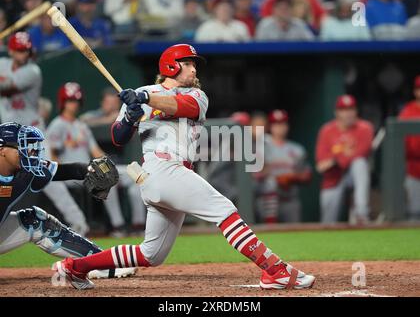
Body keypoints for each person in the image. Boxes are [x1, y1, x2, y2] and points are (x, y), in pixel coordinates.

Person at [53, 43, 315, 290]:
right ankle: (275, 271)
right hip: (159, 170)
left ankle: (76, 267)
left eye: (193, 64)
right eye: (188, 63)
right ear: (171, 66)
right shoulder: (140, 96)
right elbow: (117, 138)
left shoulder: (196, 96)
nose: (194, 69)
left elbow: (180, 106)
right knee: (224, 211)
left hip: (172, 174)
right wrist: (130, 119)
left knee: (151, 254)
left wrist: (144, 98)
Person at [0, 122, 136, 279]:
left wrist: (89, 169)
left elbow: (64, 171)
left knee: (35, 220)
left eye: (29, 146)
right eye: (21, 146)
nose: (29, 151)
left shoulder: (26, 170)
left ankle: (102, 264)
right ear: (2, 149)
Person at [0, 32, 90, 235]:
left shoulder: (33, 71)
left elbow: (6, 87)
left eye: (26, 51)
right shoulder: (3, 64)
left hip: (31, 136)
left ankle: (79, 223)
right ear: (12, 50)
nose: (23, 55)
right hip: (9, 140)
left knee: (47, 177)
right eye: (19, 50)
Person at [47, 82, 146, 236]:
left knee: (136, 175)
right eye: (69, 101)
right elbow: (52, 156)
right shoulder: (57, 125)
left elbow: (96, 152)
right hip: (71, 173)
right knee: (105, 178)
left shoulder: (81, 126)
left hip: (89, 169)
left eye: (75, 101)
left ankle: (138, 225)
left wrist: (110, 164)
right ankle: (117, 225)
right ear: (63, 103)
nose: (73, 105)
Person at [315, 95, 374, 224]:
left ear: (356, 111)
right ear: (337, 112)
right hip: (333, 177)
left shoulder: (365, 128)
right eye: (344, 110)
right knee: (327, 222)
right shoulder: (327, 130)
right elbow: (321, 164)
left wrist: (336, 158)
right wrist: (345, 155)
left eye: (351, 109)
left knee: (360, 164)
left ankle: (361, 211)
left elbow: (361, 153)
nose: (348, 114)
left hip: (353, 175)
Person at [256, 110, 311, 223]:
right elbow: (253, 175)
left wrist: (292, 178)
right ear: (270, 126)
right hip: (266, 199)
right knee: (270, 182)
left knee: (294, 234)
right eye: (276, 124)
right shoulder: (261, 146)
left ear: (287, 126)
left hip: (289, 199)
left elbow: (307, 175)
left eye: (282, 124)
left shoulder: (297, 149)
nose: (280, 127)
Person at [398, 75, 420, 221]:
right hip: (414, 168)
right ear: (416, 91)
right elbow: (400, 143)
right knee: (414, 214)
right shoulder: (408, 111)